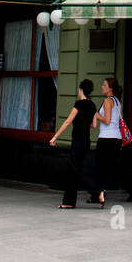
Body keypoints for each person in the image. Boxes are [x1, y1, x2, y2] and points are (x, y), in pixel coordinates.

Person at [49, 79, 104, 209]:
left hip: (78, 141)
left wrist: (55, 137)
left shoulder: (79, 104)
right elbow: (94, 125)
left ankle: (97, 191)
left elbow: (68, 122)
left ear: (81, 89)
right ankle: (69, 202)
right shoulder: (92, 105)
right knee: (73, 171)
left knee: (75, 170)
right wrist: (85, 121)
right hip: (86, 141)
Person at [94, 77, 132, 202]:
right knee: (116, 166)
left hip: (106, 138)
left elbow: (106, 120)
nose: (102, 87)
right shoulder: (117, 101)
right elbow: (119, 120)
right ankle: (131, 188)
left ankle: (100, 193)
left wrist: (96, 115)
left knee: (100, 167)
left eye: (104, 85)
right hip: (116, 138)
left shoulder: (107, 101)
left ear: (110, 88)